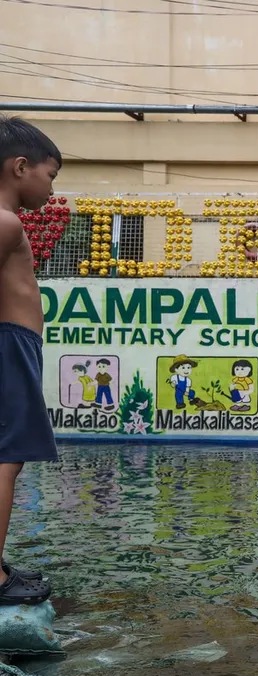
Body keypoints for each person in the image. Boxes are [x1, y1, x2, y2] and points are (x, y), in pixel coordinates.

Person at [0, 116, 59, 604]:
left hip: (12, 344)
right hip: (8, 345)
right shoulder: (5, 221)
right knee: (5, 459)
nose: (51, 188)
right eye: (50, 175)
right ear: (20, 167)